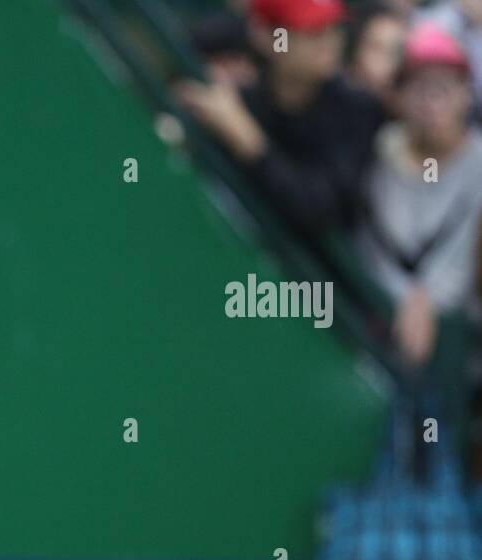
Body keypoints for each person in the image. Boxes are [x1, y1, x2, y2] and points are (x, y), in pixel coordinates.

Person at [176, 0, 387, 238]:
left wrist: (249, 141)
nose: (328, 42)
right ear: (266, 37)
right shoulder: (245, 100)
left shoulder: (358, 110)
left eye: (334, 28)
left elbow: (318, 208)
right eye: (312, 31)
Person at [353, 21, 482, 393]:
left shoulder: (477, 164)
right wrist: (407, 298)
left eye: (444, 88)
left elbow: (463, 270)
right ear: (400, 96)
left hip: (457, 354)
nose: (431, 102)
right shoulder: (375, 150)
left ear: (465, 95)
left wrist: (428, 299)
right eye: (420, 88)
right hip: (374, 337)